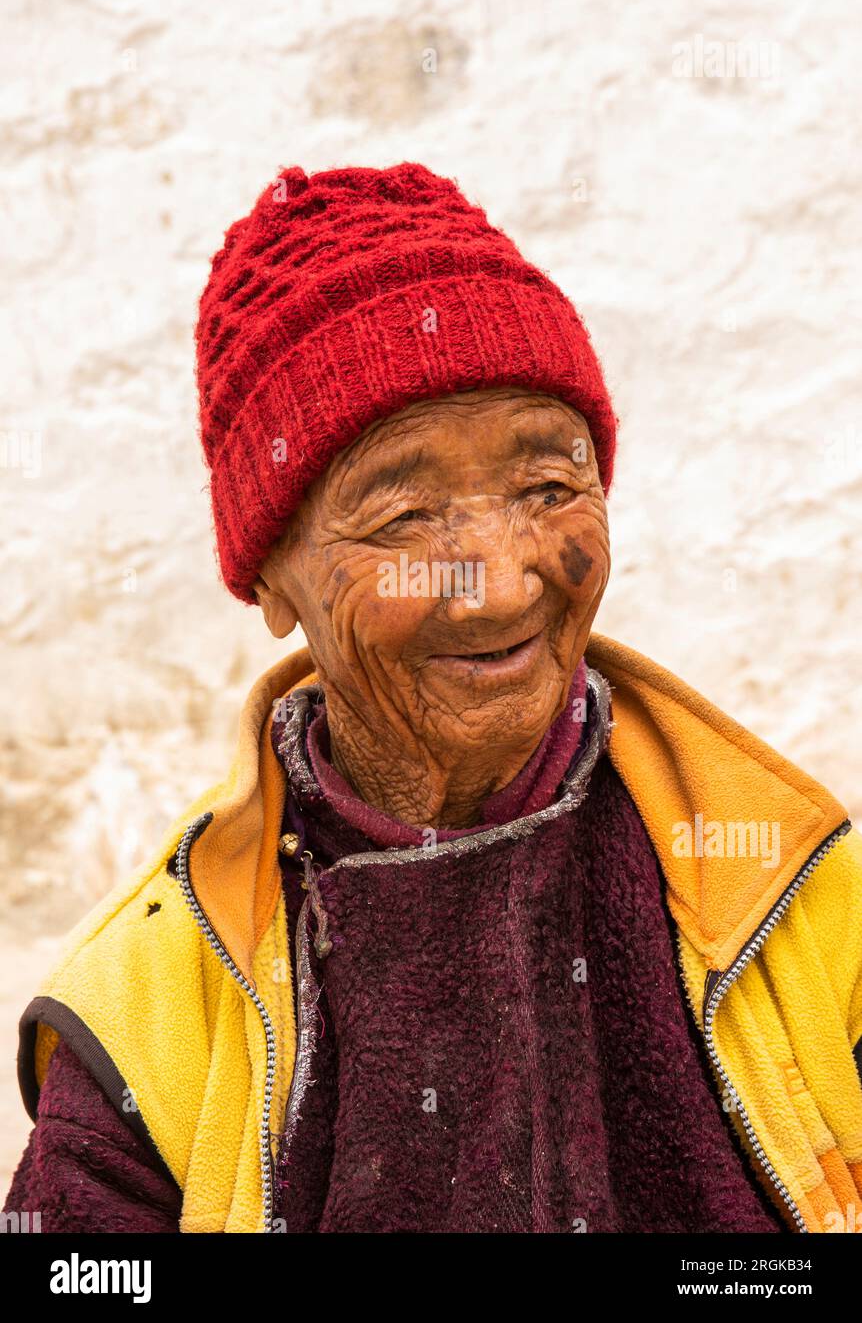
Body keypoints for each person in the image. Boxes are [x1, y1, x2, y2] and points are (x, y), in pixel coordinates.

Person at [5, 163, 862, 1233]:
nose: (500, 583)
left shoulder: (795, 898)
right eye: (406, 514)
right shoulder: (148, 1020)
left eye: (549, 487)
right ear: (270, 575)